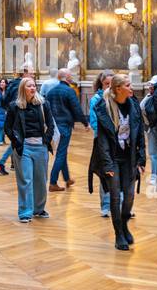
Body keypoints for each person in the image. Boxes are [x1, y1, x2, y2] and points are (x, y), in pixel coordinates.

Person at [89, 73, 146, 251]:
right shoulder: (104, 107)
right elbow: (103, 141)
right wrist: (107, 165)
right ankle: (118, 234)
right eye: (128, 85)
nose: (132, 88)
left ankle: (124, 224)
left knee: (129, 195)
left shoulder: (134, 105)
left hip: (129, 157)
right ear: (118, 89)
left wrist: (141, 157)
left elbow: (139, 133)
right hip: (112, 158)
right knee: (115, 197)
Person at [3, 75, 55, 223]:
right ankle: (25, 211)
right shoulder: (15, 106)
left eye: (34, 85)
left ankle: (39, 209)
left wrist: (45, 140)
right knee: (26, 180)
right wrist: (17, 143)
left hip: (41, 147)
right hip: (23, 148)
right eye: (29, 86)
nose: (33, 88)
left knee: (41, 180)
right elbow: (8, 127)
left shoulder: (44, 104)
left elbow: (50, 125)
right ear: (23, 89)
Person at [46, 68, 88, 192]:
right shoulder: (69, 91)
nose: (72, 76)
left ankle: (67, 178)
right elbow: (77, 108)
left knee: (61, 152)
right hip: (64, 126)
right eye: (70, 75)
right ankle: (53, 182)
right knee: (61, 153)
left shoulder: (51, 92)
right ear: (66, 77)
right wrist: (85, 123)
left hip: (54, 126)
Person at [0, 64, 35, 176]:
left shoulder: (12, 83)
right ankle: (3, 162)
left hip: (12, 115)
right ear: (25, 73)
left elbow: (4, 101)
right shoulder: (22, 85)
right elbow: (22, 102)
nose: (33, 75)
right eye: (31, 73)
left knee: (17, 140)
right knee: (18, 140)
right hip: (19, 117)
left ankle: (5, 163)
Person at [88, 70, 114, 217]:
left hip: (118, 142)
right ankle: (105, 205)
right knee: (105, 173)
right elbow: (94, 122)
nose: (109, 87)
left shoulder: (119, 98)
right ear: (101, 84)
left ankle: (122, 205)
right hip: (102, 141)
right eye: (106, 84)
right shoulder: (96, 100)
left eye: (112, 84)